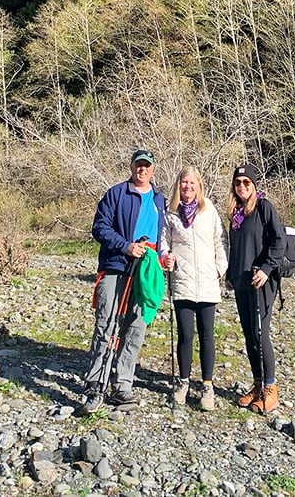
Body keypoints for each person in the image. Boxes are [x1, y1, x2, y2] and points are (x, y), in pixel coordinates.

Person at [82, 148, 167, 414]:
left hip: (147, 268)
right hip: (116, 266)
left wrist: (165, 258)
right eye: (138, 165)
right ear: (131, 167)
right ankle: (96, 383)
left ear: (153, 169)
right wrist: (125, 246)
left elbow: (165, 233)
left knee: (136, 325)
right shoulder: (116, 193)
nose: (142, 169)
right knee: (106, 324)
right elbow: (100, 228)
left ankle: (123, 385)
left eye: (147, 165)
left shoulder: (160, 199)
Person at [163, 166, 228, 411]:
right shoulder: (171, 214)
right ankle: (183, 382)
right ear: (178, 186)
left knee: (207, 336)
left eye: (192, 183)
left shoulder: (209, 210)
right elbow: (163, 243)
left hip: (208, 283)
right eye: (183, 183)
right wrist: (166, 257)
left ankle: (207, 385)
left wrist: (219, 268)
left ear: (199, 185)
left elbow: (220, 240)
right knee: (186, 335)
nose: (187, 187)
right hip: (182, 282)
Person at [225, 162, 285, 414]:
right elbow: (236, 249)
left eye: (246, 182)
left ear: (254, 184)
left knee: (261, 335)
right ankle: (258, 385)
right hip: (241, 282)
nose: (242, 187)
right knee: (249, 336)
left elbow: (278, 240)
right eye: (238, 183)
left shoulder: (263, 207)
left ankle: (271, 390)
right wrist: (230, 274)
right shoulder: (236, 214)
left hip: (261, 282)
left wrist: (266, 268)